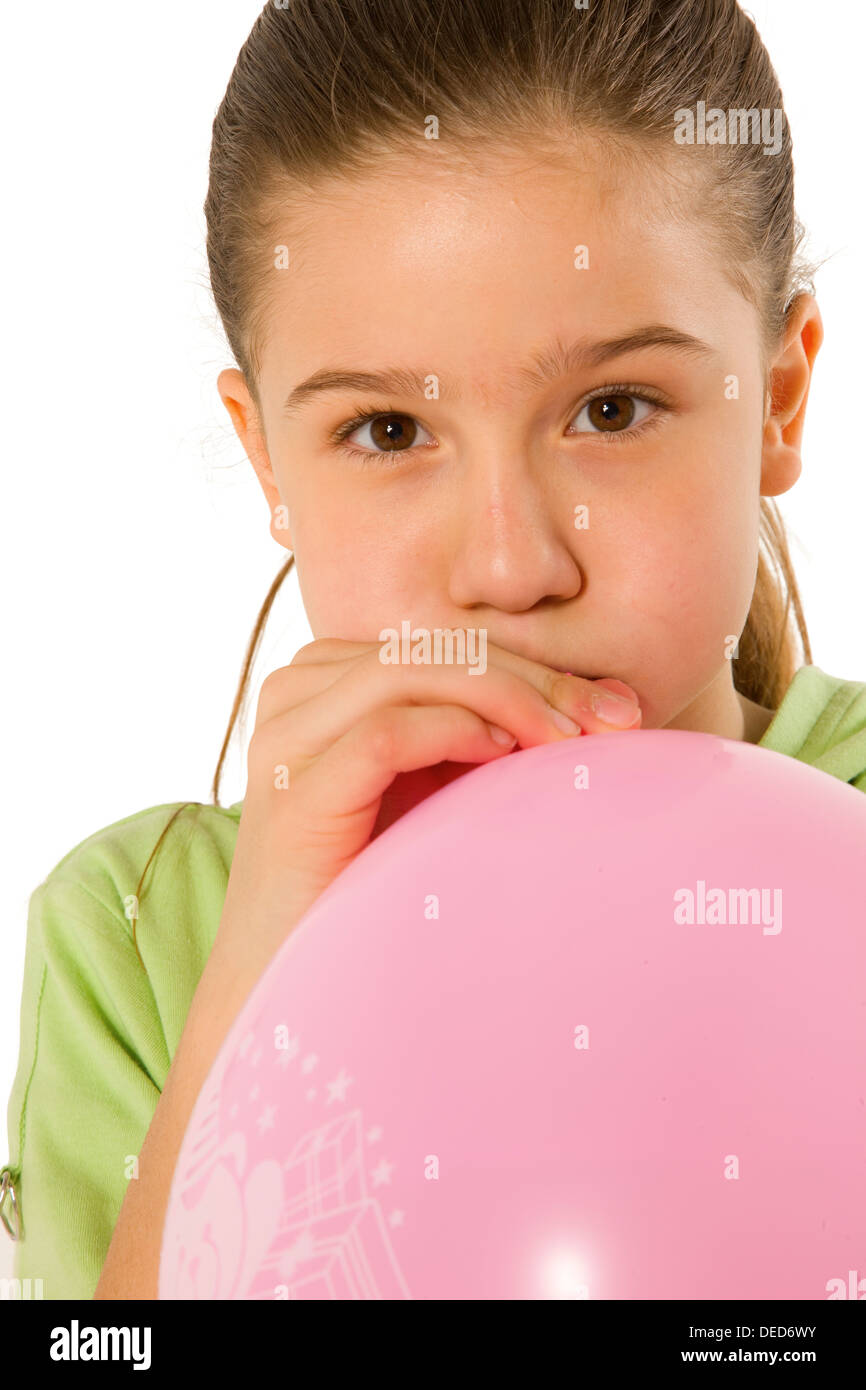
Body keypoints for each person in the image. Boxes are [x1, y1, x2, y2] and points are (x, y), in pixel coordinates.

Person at [3, 0, 866, 1301]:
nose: (511, 565)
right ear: (266, 462)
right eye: (388, 431)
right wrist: (252, 976)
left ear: (777, 400)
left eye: (610, 408)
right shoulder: (139, 933)